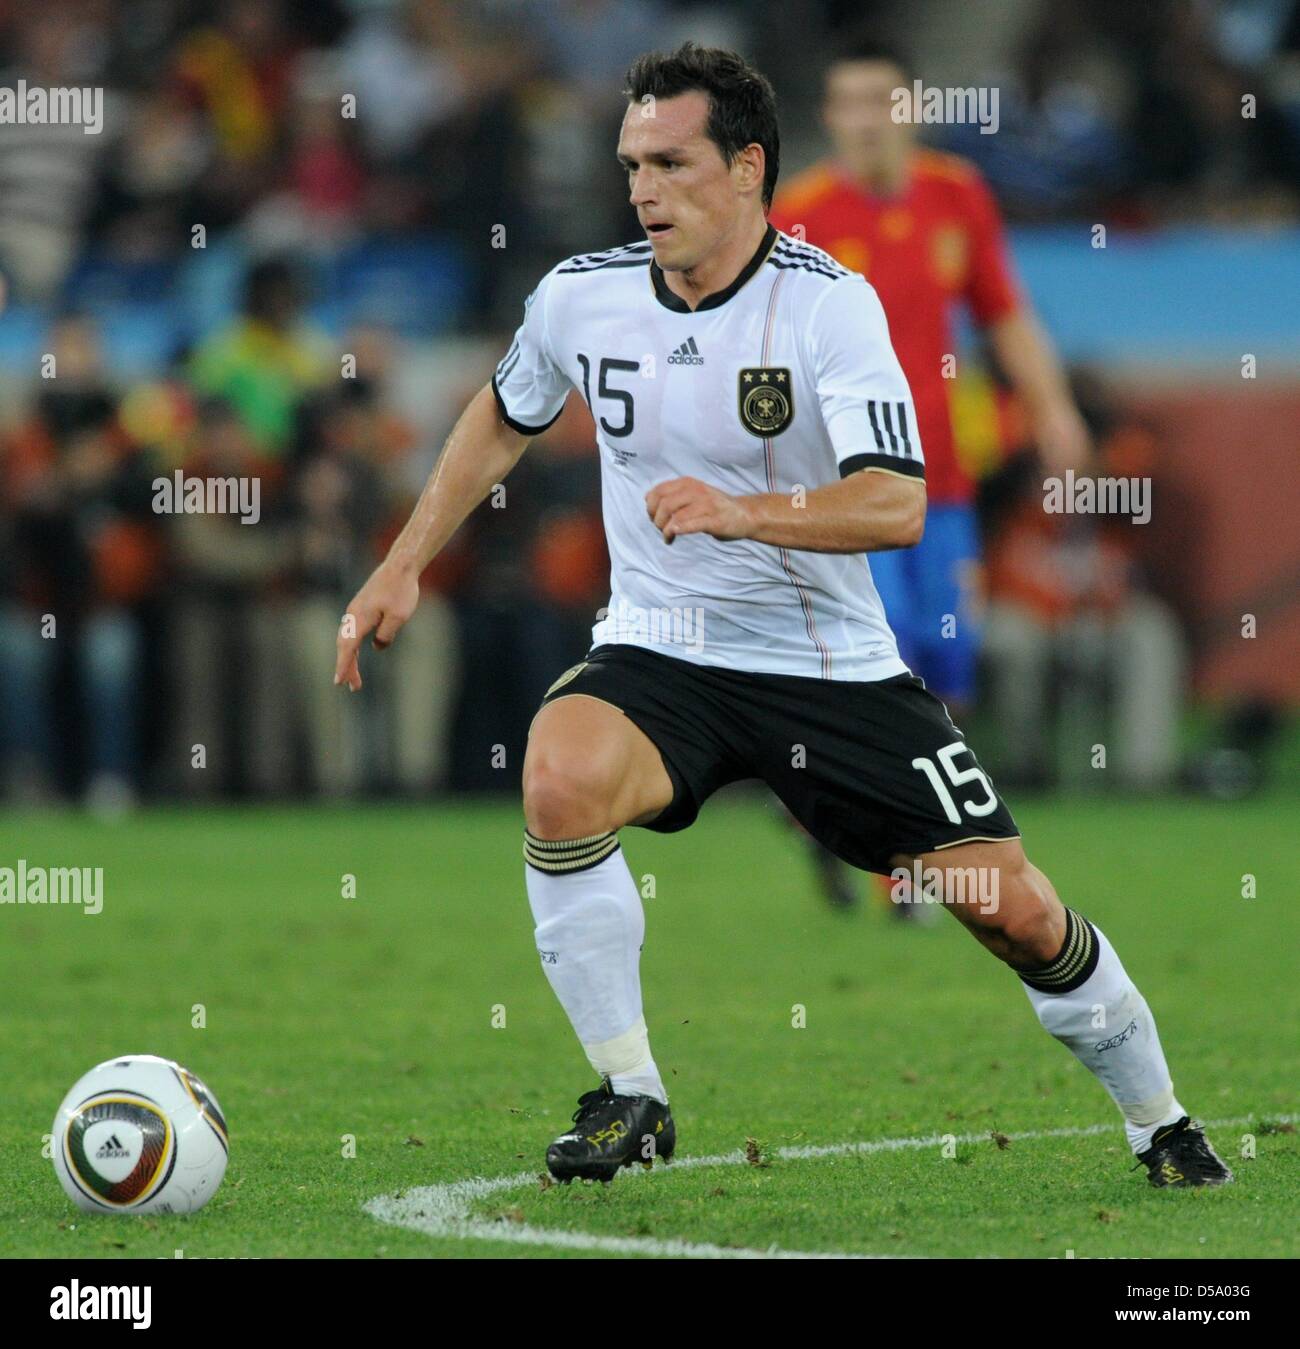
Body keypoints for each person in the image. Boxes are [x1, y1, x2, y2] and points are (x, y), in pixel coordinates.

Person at [334, 44, 1231, 1191]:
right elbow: (502, 415)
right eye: (630, 164)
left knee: (1010, 908)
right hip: (662, 650)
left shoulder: (828, 307)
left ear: (747, 167)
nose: (642, 188)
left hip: (831, 670)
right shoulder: (578, 295)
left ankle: (1158, 1118)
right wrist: (403, 563)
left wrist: (745, 512)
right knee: (559, 775)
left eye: (670, 162)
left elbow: (897, 500)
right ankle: (630, 1092)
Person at [769, 39, 1091, 911]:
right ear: (832, 119)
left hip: (944, 481)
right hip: (853, 484)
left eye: (881, 100)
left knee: (953, 652)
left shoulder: (958, 195)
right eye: (849, 103)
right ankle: (904, 857)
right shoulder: (799, 217)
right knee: (894, 648)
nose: (867, 119)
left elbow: (1003, 313)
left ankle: (830, 813)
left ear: (908, 110)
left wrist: (1053, 405)